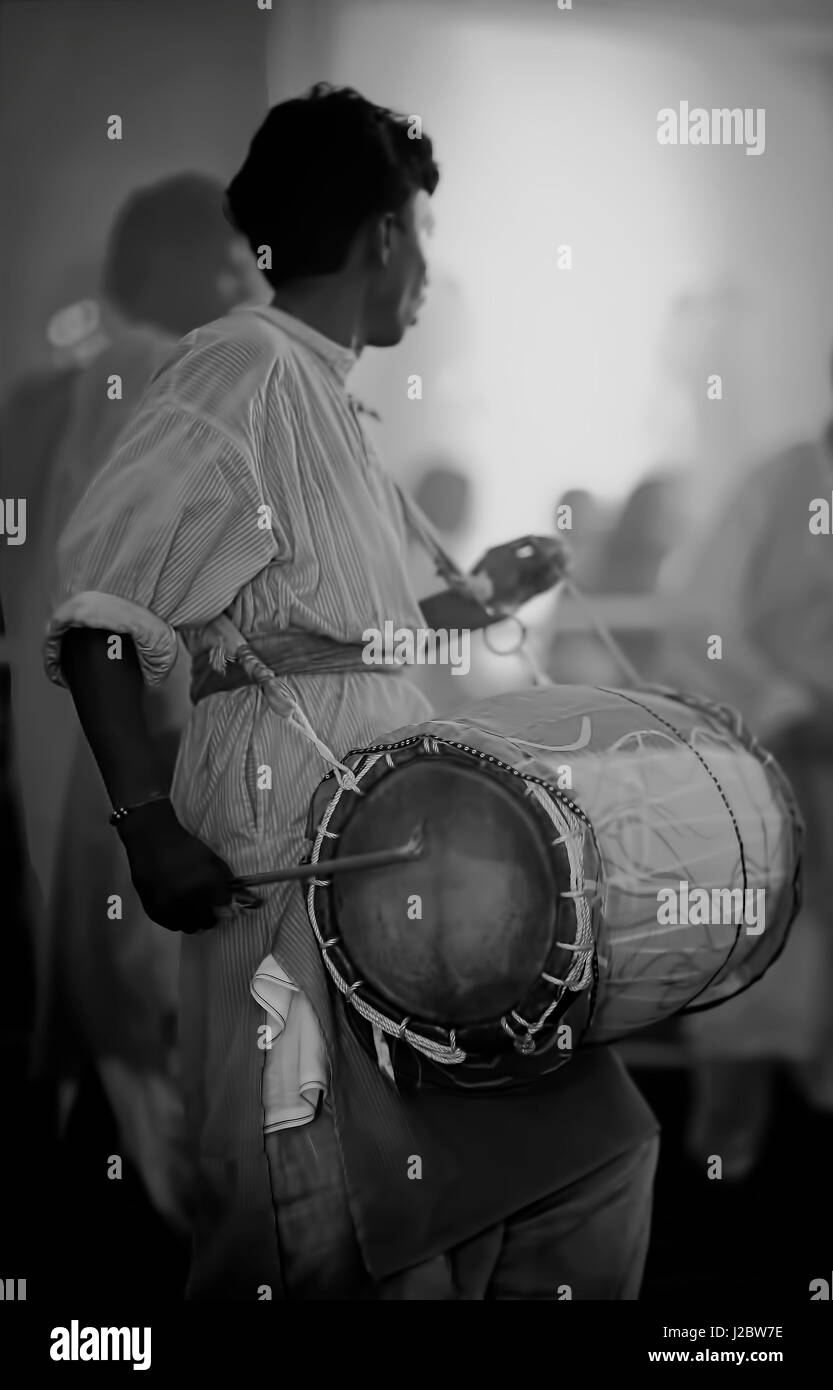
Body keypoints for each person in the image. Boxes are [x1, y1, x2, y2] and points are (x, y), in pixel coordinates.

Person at [45, 84, 658, 1300]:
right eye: (421, 233)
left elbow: (313, 631)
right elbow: (102, 614)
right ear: (385, 233)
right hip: (293, 850)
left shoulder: (318, 388)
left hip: (386, 862)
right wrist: (146, 821)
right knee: (312, 1214)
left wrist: (470, 599)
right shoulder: (239, 364)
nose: (424, 267)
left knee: (578, 1155)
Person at [1, 172, 268, 1230]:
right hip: (154, 747)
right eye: (233, 259)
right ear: (182, 265)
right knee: (163, 1004)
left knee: (99, 997)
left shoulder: (37, 398)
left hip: (56, 743)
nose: (246, 282)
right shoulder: (183, 382)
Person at [659, 393, 833, 1179]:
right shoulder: (779, 483)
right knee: (758, 969)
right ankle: (726, 1181)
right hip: (779, 764)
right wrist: (787, 707)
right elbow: (700, 620)